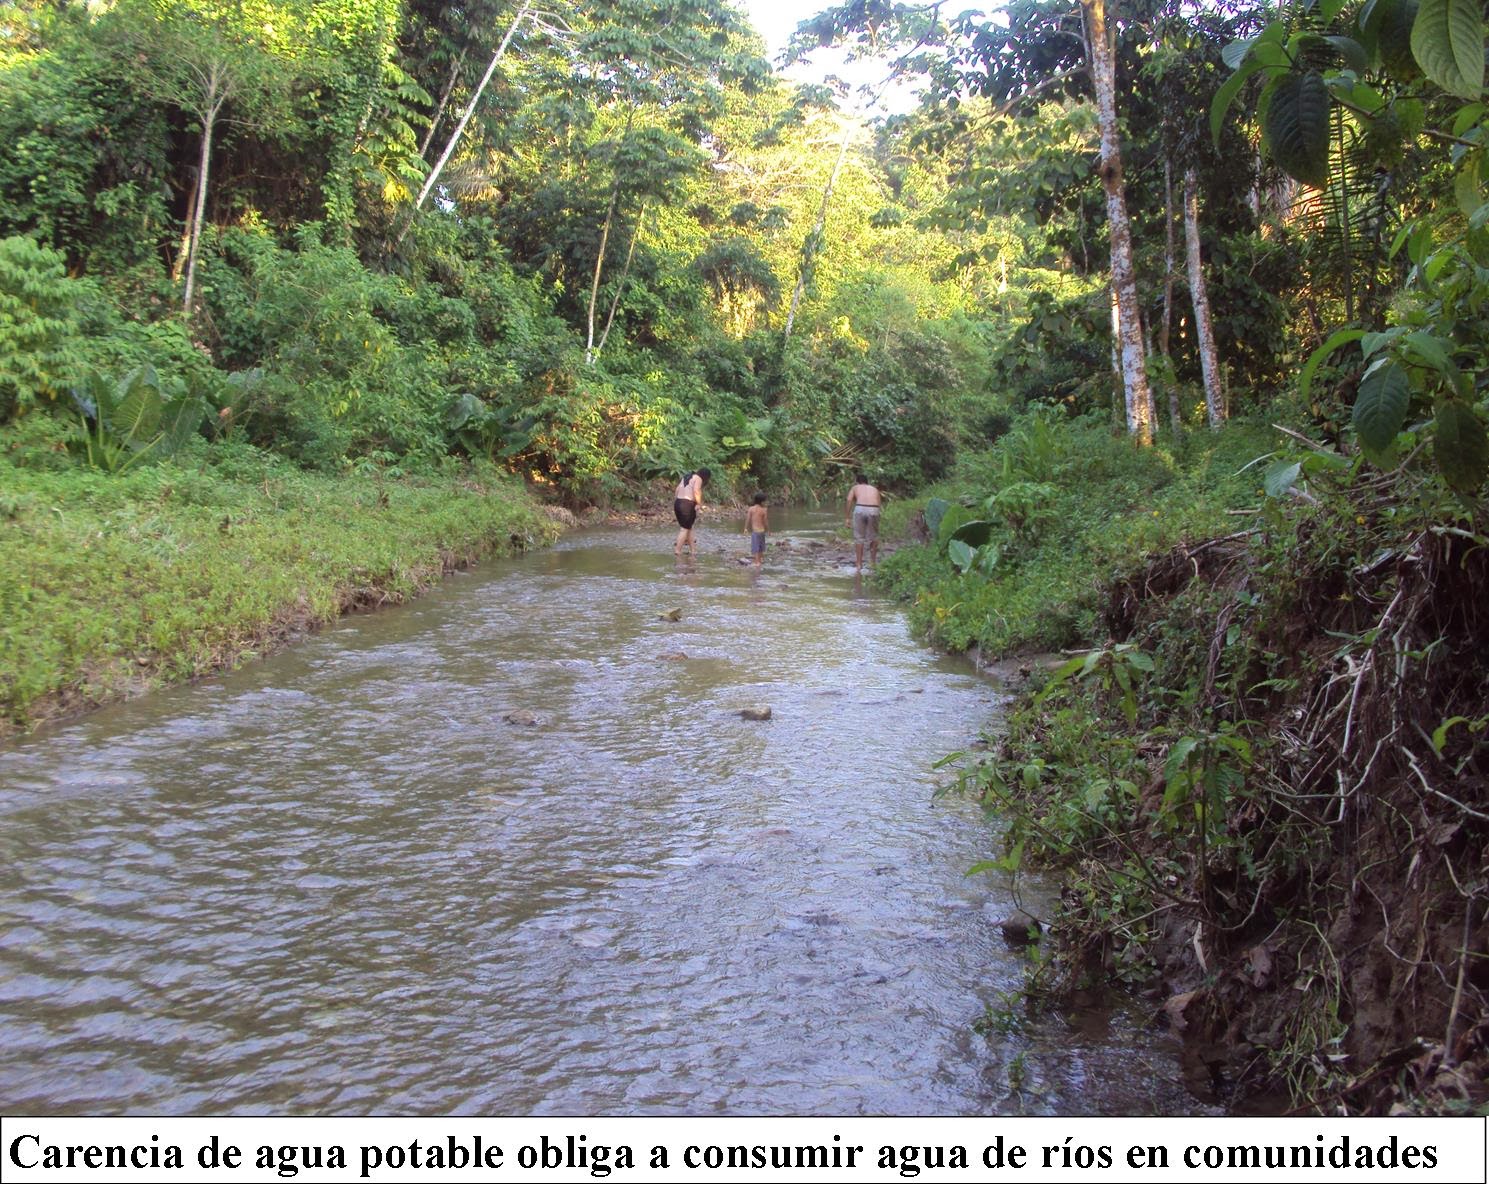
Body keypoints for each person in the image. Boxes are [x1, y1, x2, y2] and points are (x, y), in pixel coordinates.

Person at [845, 471, 882, 571]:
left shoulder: (855, 488)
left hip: (860, 509)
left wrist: (847, 517)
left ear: (857, 482)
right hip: (874, 509)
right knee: (874, 536)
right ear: (867, 482)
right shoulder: (874, 489)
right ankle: (873, 563)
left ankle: (859, 565)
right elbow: (879, 505)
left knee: (859, 538)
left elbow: (849, 500)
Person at [673, 467, 710, 556]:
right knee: (684, 529)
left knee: (689, 527)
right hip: (687, 504)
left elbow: (677, 489)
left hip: (678, 502)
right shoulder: (698, 478)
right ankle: (677, 550)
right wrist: (698, 503)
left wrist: (677, 501)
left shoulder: (687, 476)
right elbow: (696, 491)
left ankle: (693, 550)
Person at [743, 492, 768, 566]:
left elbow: (748, 519)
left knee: (755, 547)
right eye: (765, 501)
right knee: (761, 547)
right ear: (762, 501)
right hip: (762, 531)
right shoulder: (764, 510)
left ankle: (757, 562)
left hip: (755, 532)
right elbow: (765, 521)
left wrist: (745, 528)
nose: (765, 502)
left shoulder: (751, 509)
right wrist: (769, 530)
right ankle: (759, 561)